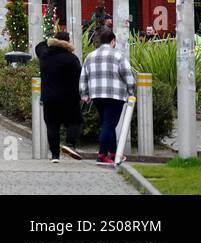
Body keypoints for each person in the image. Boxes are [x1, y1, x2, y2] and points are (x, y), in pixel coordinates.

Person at [80, 29, 136, 165]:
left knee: (107, 123)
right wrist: (131, 91)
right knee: (109, 124)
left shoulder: (90, 56)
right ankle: (102, 154)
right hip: (115, 94)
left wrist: (84, 94)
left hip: (97, 94)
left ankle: (113, 153)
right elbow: (128, 75)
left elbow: (83, 77)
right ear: (113, 41)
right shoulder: (118, 55)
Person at [35, 32, 83, 162]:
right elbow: (80, 77)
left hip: (49, 98)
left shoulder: (45, 55)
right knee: (74, 122)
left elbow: (39, 46)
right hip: (69, 98)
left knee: (52, 126)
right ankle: (70, 144)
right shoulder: (72, 59)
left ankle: (55, 155)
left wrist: (51, 40)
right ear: (68, 42)